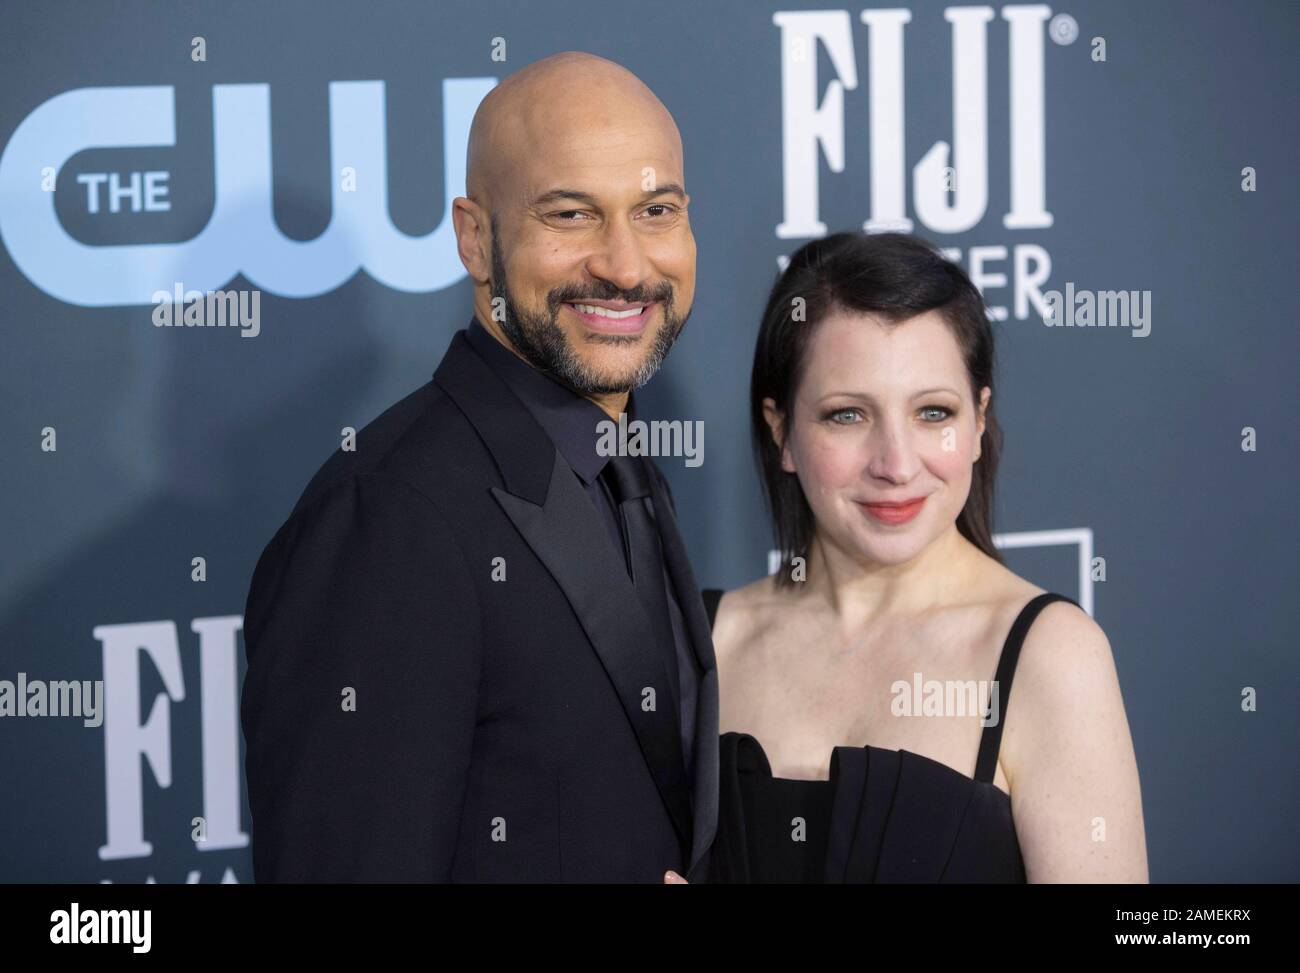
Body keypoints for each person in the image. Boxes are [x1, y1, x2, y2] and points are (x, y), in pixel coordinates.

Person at [241, 51, 719, 882]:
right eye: (570, 215)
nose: (626, 264)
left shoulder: (626, 467)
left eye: (655, 210)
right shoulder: (388, 518)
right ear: (475, 238)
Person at [670, 232, 1147, 883]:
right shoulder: (703, 645)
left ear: (980, 421)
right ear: (780, 429)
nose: (895, 464)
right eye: (847, 415)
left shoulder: (1051, 657)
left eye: (933, 412)